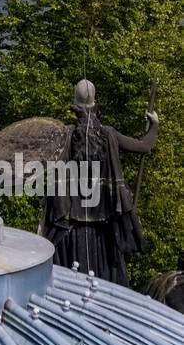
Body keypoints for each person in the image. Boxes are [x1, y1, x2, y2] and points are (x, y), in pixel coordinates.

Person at [41, 78, 159, 286]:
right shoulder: (109, 134)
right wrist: (154, 126)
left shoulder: (64, 135)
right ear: (95, 103)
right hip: (103, 235)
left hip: (70, 233)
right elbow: (144, 146)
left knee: (69, 288)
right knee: (104, 290)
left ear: (74, 104)